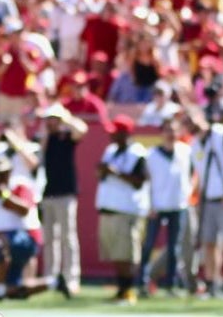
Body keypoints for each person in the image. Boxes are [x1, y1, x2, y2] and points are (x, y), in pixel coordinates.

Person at [0, 157, 48, 302]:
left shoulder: (19, 184)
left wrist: (4, 194)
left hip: (24, 238)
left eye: (3, 173)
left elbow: (24, 209)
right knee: (16, 290)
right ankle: (55, 282)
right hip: (6, 239)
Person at [96, 115, 149, 306]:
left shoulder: (137, 153)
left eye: (116, 133)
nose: (112, 136)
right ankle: (121, 291)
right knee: (116, 254)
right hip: (109, 208)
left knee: (127, 253)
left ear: (125, 133)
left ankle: (129, 291)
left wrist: (115, 173)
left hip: (127, 210)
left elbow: (140, 181)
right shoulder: (110, 151)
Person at [37, 102, 88, 298]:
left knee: (68, 237)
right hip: (48, 193)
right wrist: (46, 129)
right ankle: (51, 277)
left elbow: (81, 130)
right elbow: (40, 153)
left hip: (66, 194)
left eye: (53, 119)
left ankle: (71, 277)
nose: (50, 123)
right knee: (49, 238)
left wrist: (64, 118)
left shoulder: (66, 137)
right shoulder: (46, 138)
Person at [188, 107, 223, 298]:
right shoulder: (194, 144)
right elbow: (199, 175)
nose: (191, 124)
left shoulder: (219, 133)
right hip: (207, 198)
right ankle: (212, 282)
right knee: (208, 243)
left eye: (193, 119)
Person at [139, 117, 193, 297]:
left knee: (174, 247)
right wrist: (149, 205)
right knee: (148, 245)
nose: (170, 134)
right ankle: (143, 282)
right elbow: (147, 182)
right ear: (161, 132)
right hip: (158, 205)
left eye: (174, 130)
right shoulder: (152, 154)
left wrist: (187, 194)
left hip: (178, 205)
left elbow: (192, 174)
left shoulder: (185, 151)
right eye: (167, 130)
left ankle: (171, 284)